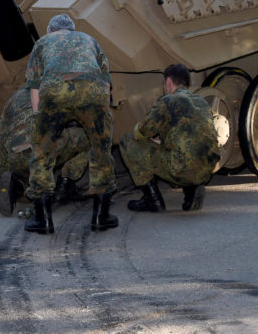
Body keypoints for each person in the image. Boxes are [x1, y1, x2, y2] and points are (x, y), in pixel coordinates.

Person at [24, 13, 116, 234]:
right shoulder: (89, 40)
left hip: (54, 91)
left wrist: (40, 121)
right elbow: (106, 81)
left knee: (42, 153)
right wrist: (101, 117)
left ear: (50, 31)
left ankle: (43, 220)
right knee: (100, 150)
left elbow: (34, 84)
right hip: (92, 91)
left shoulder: (42, 42)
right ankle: (100, 217)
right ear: (73, 31)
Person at [119, 63, 220, 213]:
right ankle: (192, 190)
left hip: (181, 168)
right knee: (184, 153)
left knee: (127, 141)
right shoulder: (202, 102)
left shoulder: (167, 100)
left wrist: (138, 134)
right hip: (206, 169)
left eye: (164, 84)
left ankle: (152, 199)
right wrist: (158, 142)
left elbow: (143, 131)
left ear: (168, 82)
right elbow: (189, 137)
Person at [0, 87, 90, 216]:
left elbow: (0, 139)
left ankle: (17, 184)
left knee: (25, 162)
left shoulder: (15, 96)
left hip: (15, 156)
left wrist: (5, 170)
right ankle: (66, 182)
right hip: (39, 154)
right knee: (92, 137)